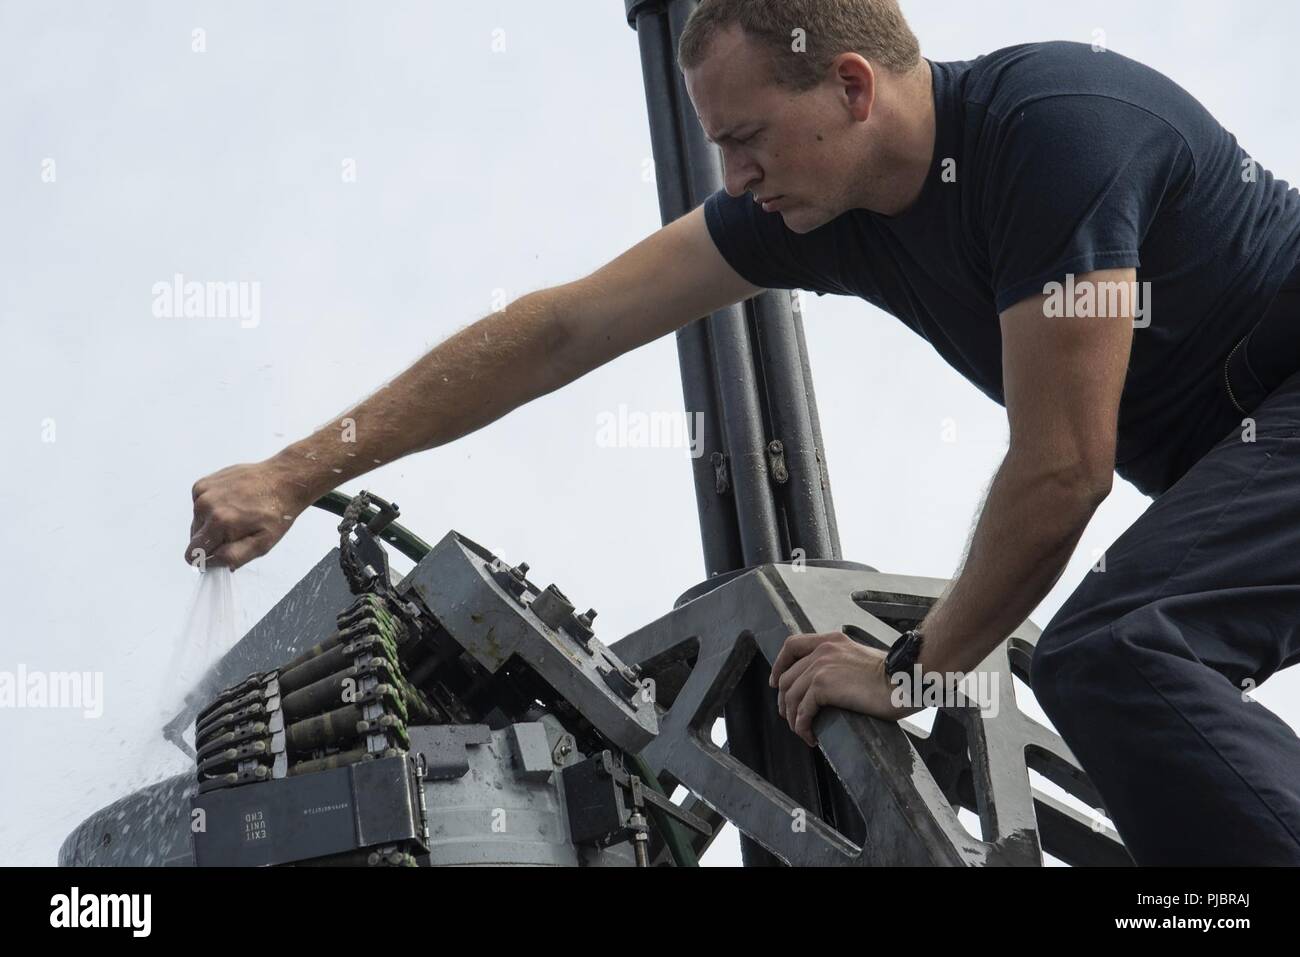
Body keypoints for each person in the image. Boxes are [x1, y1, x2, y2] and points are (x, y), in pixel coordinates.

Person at [187, 0, 1300, 864]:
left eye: (748, 138)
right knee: (1133, 685)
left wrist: (919, 673)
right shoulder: (820, 213)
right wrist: (296, 472)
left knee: (1115, 655)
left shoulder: (1056, 137)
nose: (733, 177)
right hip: (1251, 454)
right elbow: (565, 328)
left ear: (851, 87)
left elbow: (1063, 470)